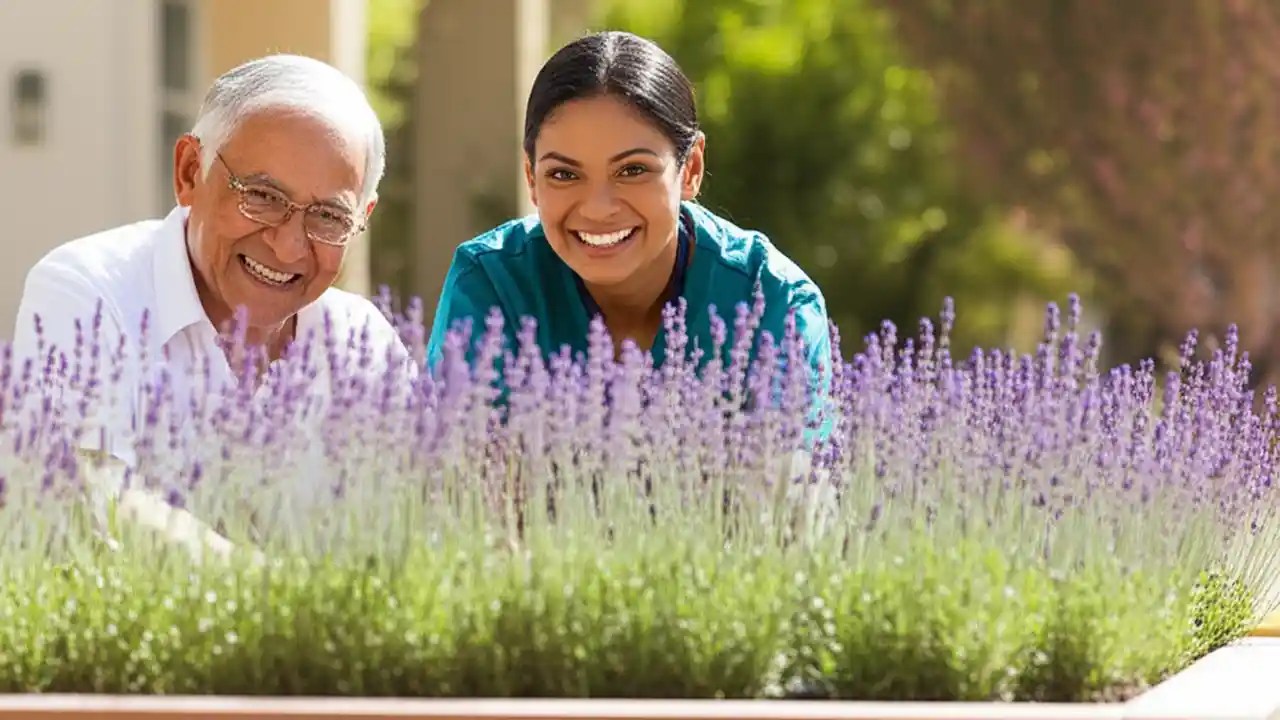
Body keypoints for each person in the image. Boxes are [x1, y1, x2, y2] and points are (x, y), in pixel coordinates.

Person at [10, 54, 410, 562]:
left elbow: (422, 522)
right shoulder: (87, 291)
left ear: (361, 218)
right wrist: (288, 601)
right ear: (189, 172)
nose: (288, 246)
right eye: (262, 196)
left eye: (329, 216)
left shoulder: (362, 341)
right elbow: (89, 494)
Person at [426, 31, 833, 404]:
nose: (598, 207)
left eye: (632, 170)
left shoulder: (775, 302)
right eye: (564, 174)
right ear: (531, 178)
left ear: (690, 168)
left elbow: (790, 479)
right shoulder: (491, 285)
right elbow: (462, 476)